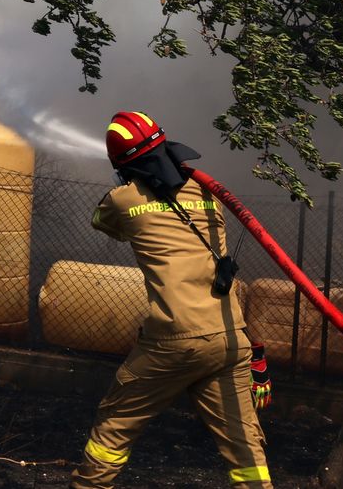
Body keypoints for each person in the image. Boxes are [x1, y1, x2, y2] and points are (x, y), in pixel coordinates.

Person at [70, 111, 273, 489]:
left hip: (172, 341)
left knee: (114, 426)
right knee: (245, 447)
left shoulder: (121, 200)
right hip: (229, 338)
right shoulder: (209, 192)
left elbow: (104, 224)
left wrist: (129, 186)